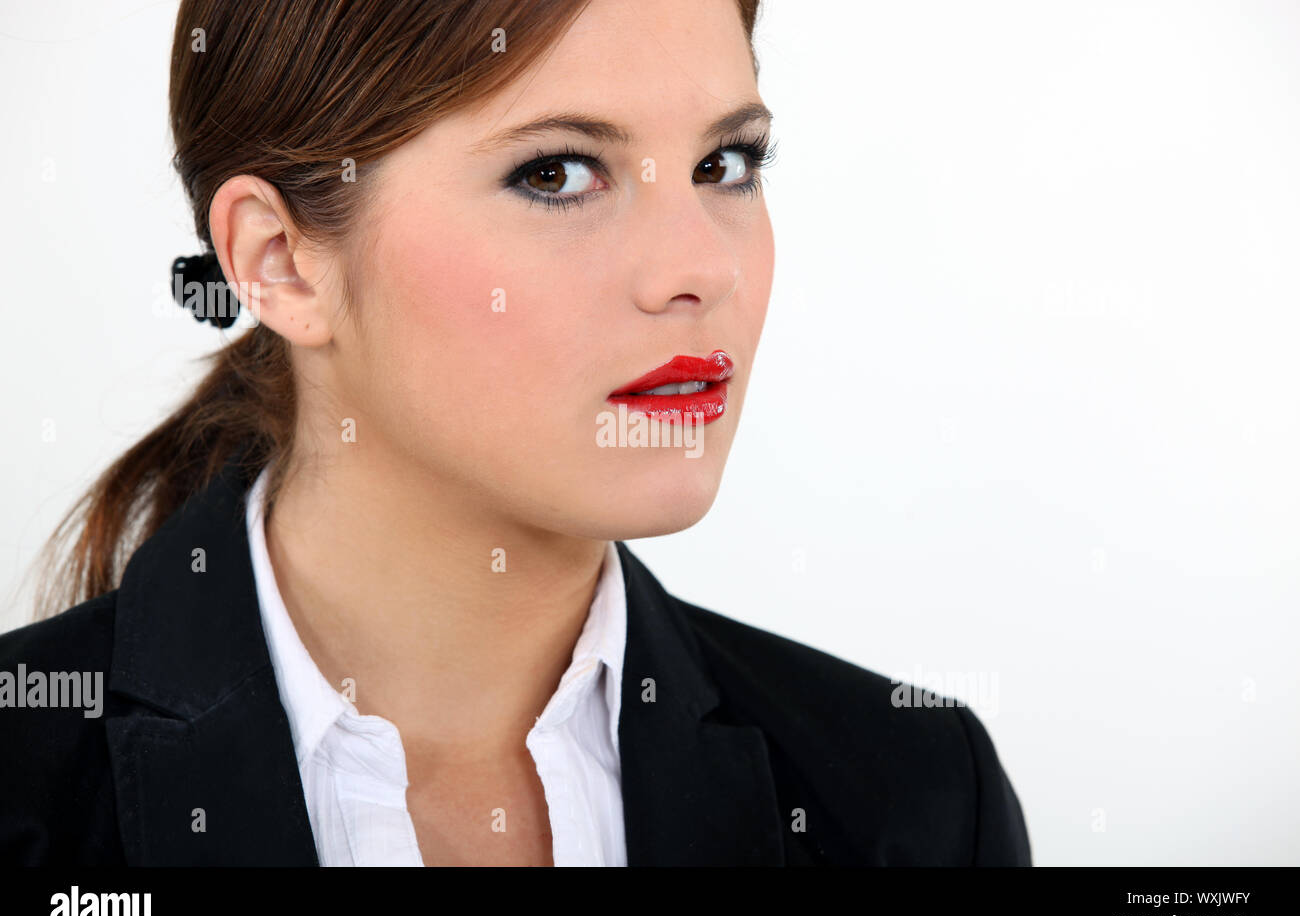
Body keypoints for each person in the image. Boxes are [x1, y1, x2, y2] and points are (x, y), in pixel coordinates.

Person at [0, 0, 1031, 866]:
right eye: (558, 173)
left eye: (724, 163)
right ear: (278, 260)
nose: (701, 269)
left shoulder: (917, 800)